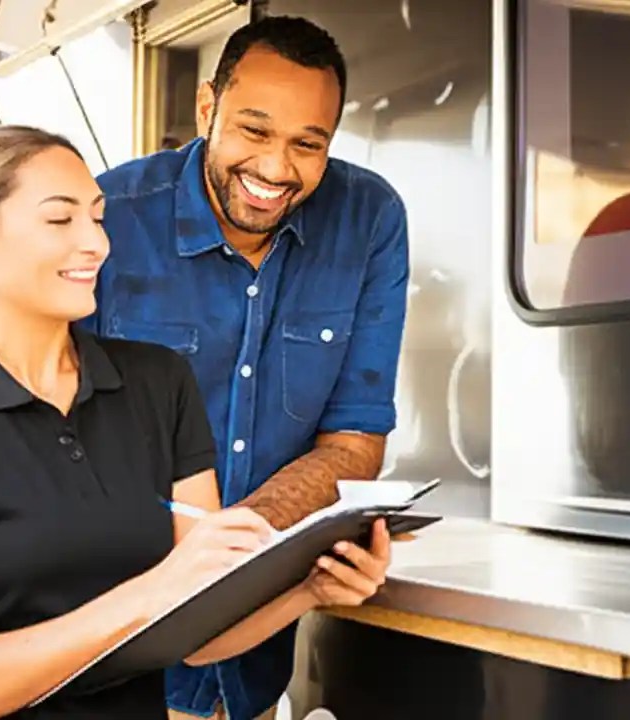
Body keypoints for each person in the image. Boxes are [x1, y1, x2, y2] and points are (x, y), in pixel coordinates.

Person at [0, 124, 393, 720]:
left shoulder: (158, 385)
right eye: (61, 221)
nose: (96, 243)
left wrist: (309, 589)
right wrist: (155, 590)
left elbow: (197, 630)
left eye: (97, 217)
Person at [81, 16, 411, 720]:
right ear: (207, 109)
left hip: (252, 673)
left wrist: (238, 546)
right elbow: (50, 441)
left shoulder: (371, 221)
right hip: (109, 675)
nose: (275, 168)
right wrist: (194, 563)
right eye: (254, 132)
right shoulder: (107, 219)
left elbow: (354, 445)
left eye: (307, 144)